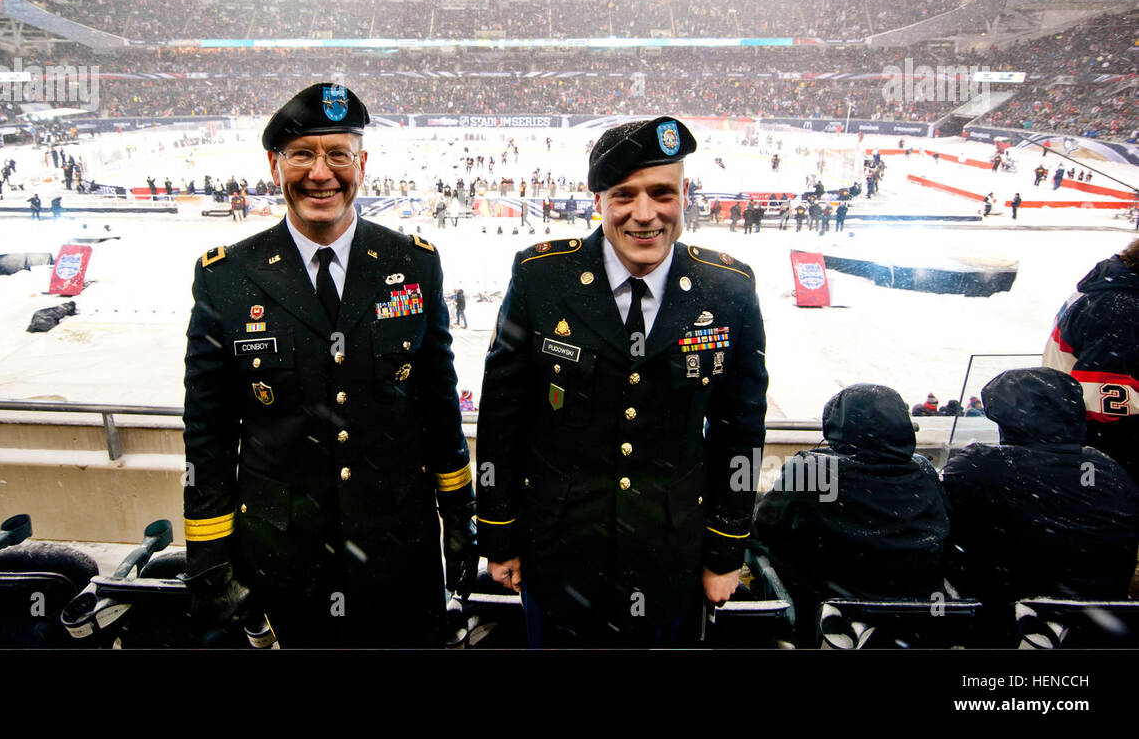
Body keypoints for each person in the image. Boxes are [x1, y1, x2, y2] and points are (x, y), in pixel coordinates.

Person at [181, 83, 475, 648]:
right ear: (274, 165)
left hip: (398, 551)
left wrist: (459, 513)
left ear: (361, 164)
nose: (322, 173)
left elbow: (438, 404)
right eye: (302, 155)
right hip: (283, 558)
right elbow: (209, 435)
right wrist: (209, 553)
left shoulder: (413, 264)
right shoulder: (226, 278)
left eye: (338, 154)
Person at [476, 116, 769, 646]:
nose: (644, 214)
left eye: (662, 193)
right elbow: (501, 417)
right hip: (559, 551)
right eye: (623, 195)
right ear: (598, 201)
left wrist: (727, 550)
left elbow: (740, 433)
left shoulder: (728, 289)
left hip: (671, 556)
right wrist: (499, 534)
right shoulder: (542, 278)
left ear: (684, 195)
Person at [941, 368, 1139, 643]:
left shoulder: (979, 466)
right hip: (1103, 625)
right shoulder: (1107, 469)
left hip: (1008, 624)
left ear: (1006, 419)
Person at [753, 384, 948, 644]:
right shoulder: (924, 470)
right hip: (914, 614)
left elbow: (764, 525)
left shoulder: (814, 469)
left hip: (828, 612)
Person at [1043, 237, 1139, 483]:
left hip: (1075, 428)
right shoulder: (1120, 308)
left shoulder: (1111, 288)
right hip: (1100, 447)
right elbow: (1102, 407)